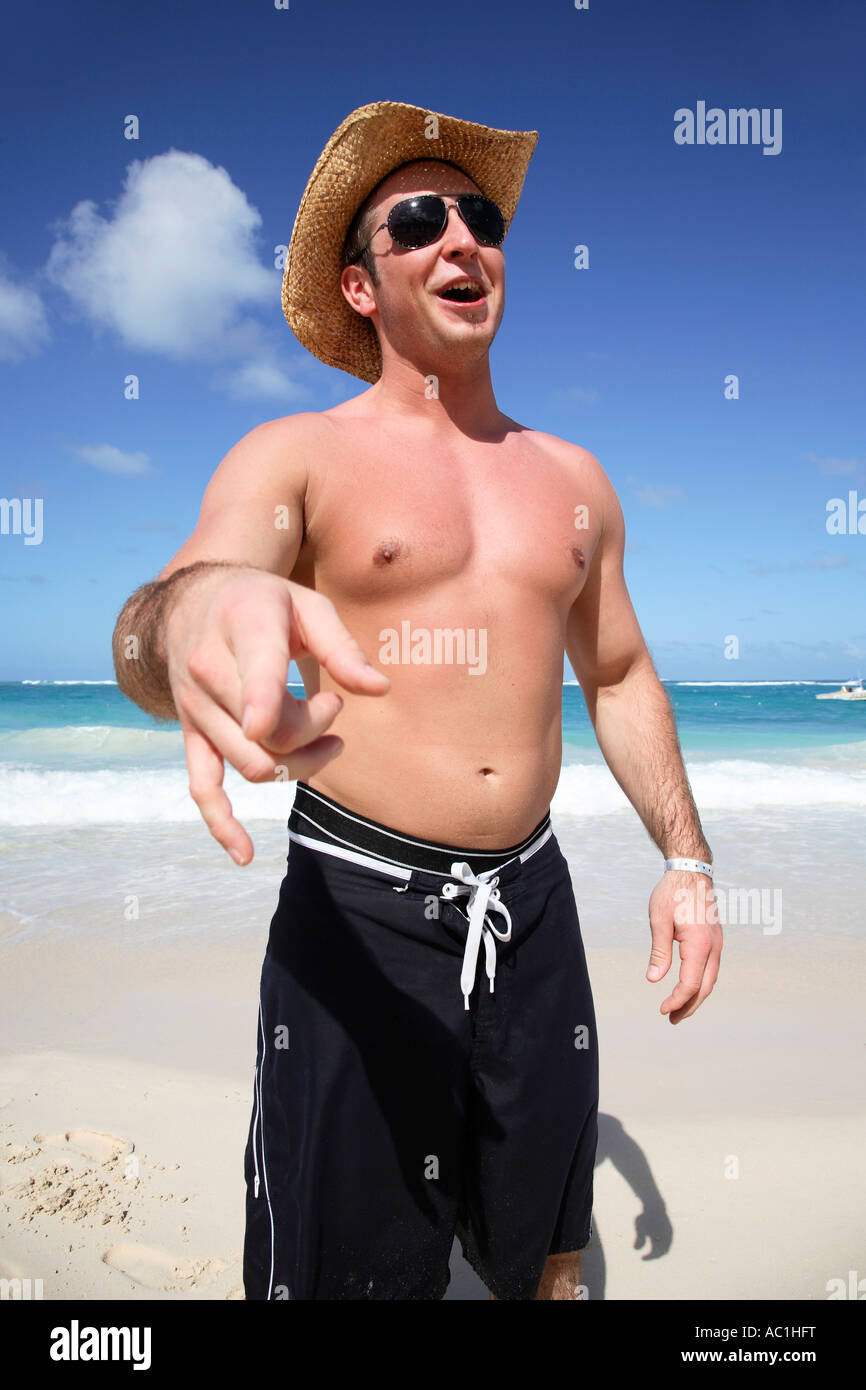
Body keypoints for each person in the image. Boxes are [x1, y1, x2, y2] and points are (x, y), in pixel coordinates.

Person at [112, 100, 721, 1301]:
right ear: (357, 286)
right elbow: (174, 601)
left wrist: (687, 861)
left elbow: (616, 672)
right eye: (419, 219)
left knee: (543, 1251)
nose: (462, 240)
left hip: (534, 911)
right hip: (361, 914)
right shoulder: (297, 457)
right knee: (342, 1261)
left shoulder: (572, 479)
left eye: (480, 217)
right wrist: (183, 623)